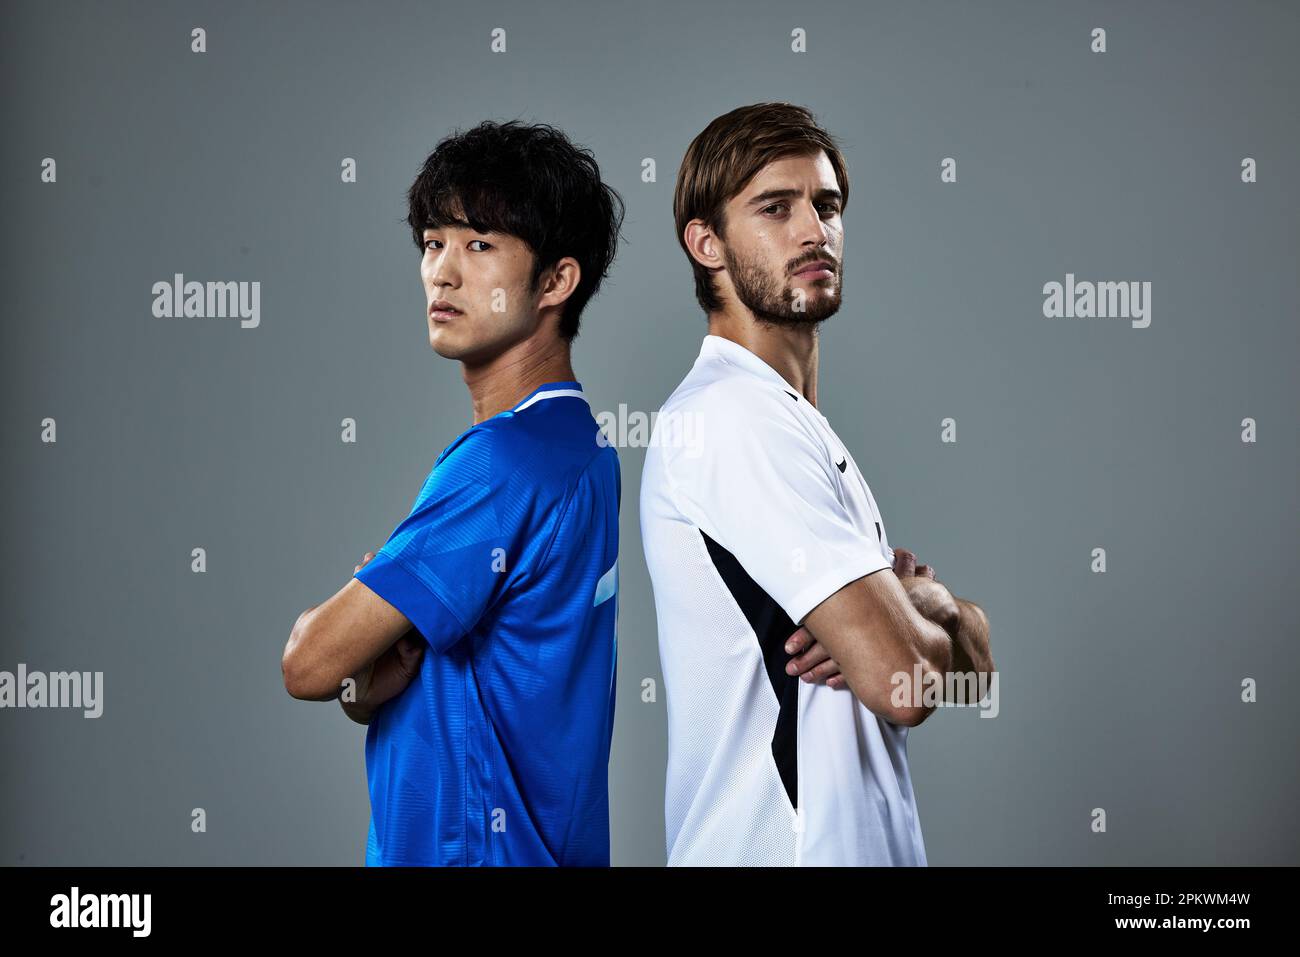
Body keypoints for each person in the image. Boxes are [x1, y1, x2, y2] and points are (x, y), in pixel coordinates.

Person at [640, 102, 994, 866]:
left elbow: (976, 681)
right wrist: (901, 623)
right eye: (776, 207)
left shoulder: (796, 426)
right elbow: (907, 685)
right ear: (706, 243)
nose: (814, 231)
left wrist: (922, 609)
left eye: (826, 206)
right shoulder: (733, 417)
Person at [282, 120, 624, 866]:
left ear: (557, 281)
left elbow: (306, 660)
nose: (442, 272)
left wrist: (349, 631)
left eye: (479, 246)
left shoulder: (501, 464)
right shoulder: (584, 446)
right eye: (434, 243)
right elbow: (451, 675)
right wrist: (368, 681)